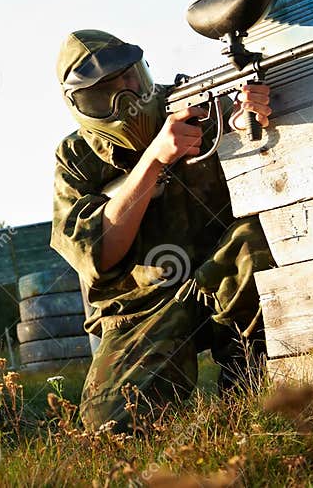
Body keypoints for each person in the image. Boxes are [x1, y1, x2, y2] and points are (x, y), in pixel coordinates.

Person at [50, 29, 275, 433]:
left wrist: (243, 118)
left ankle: (248, 400)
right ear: (81, 104)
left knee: (252, 243)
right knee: (112, 424)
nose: (126, 97)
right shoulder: (76, 158)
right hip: (141, 308)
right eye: (106, 91)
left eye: (129, 78)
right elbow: (97, 256)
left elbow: (245, 131)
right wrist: (154, 160)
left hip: (220, 275)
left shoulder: (191, 105)